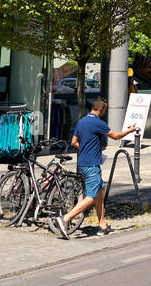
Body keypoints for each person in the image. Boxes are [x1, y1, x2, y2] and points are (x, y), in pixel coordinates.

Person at [54, 98, 135, 239]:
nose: (104, 112)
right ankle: (65, 219)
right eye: (104, 110)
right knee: (91, 197)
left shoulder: (82, 121)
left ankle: (102, 226)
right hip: (92, 165)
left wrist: (86, 150)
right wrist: (130, 130)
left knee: (100, 190)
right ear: (100, 109)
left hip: (83, 162)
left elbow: (74, 142)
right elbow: (115, 136)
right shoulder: (98, 122)